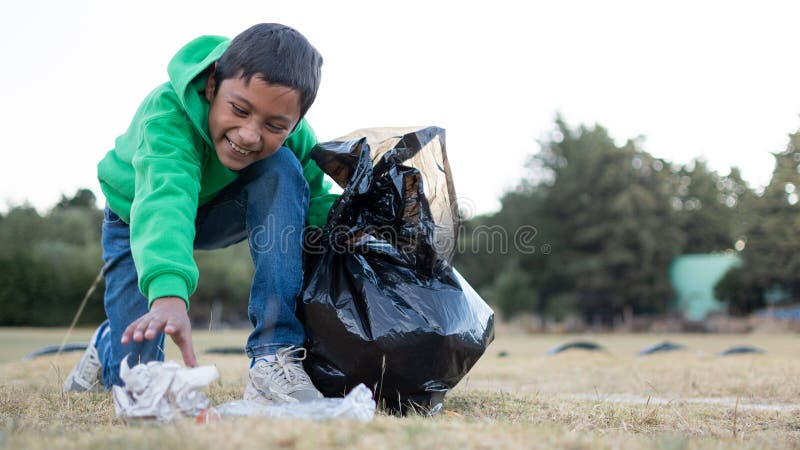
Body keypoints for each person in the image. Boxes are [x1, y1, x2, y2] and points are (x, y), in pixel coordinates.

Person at [63, 23, 338, 403]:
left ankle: (273, 354)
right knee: (138, 384)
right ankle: (108, 342)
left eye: (275, 126)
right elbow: (166, 202)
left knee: (283, 169)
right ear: (212, 86)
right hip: (139, 221)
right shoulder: (167, 116)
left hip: (218, 210)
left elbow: (317, 202)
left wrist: (353, 244)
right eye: (239, 110)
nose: (249, 135)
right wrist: (169, 296)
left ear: (294, 122)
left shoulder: (293, 136)